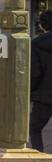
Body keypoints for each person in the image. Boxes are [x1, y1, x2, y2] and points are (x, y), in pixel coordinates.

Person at [30, 10, 52, 151]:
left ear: (43, 26)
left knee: (35, 129)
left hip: (44, 96)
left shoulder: (36, 44)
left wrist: (30, 90)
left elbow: (36, 73)